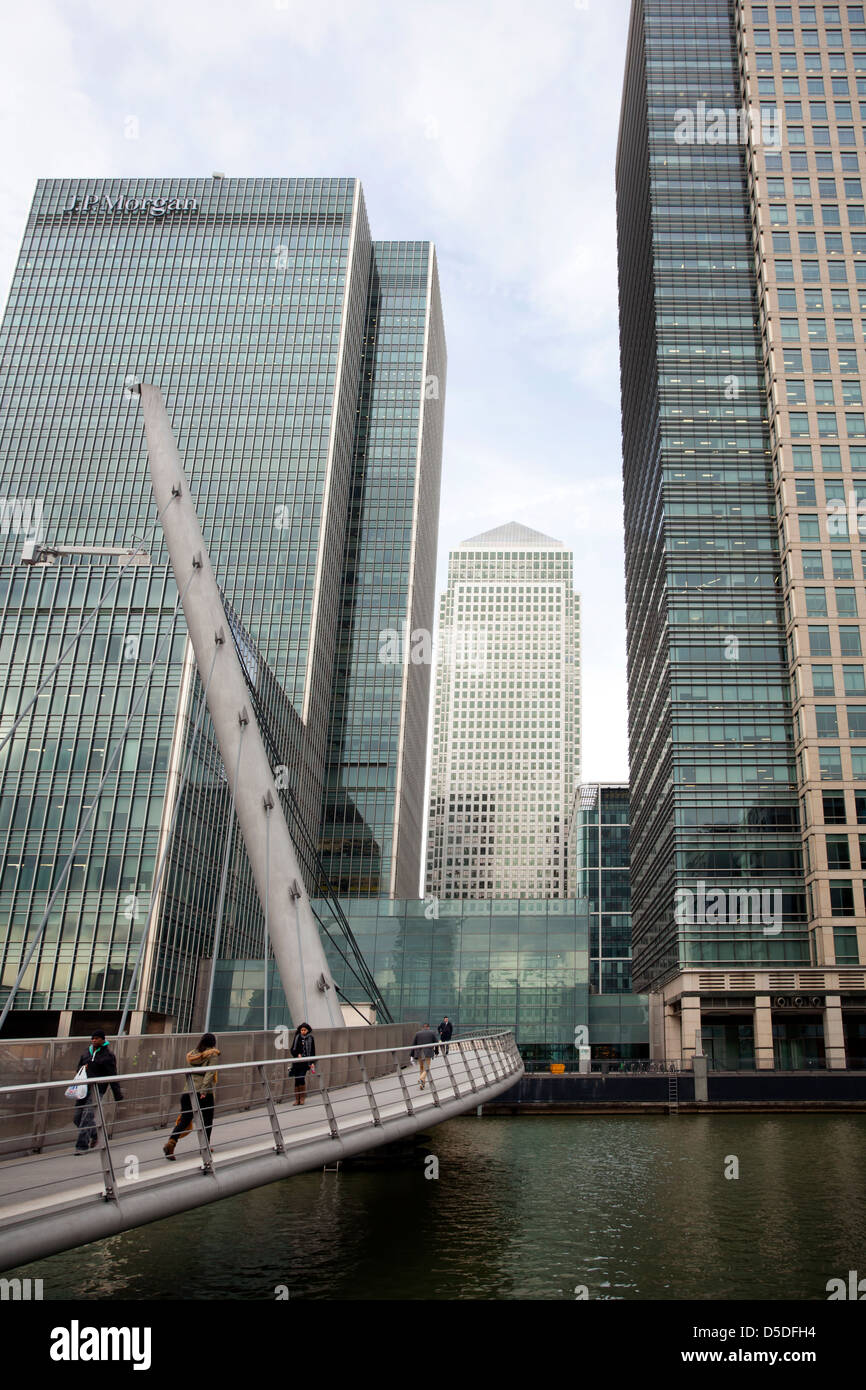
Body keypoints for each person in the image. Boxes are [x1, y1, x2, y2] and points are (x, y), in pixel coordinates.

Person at [163, 1034, 220, 1160]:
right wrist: (204, 1090)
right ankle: (205, 1145)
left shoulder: (193, 1055)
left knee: (185, 1118)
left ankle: (171, 1142)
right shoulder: (213, 1054)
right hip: (204, 1093)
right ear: (213, 1043)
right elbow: (210, 1073)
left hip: (188, 1091)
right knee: (207, 1120)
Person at [73, 1030, 124, 1154]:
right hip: (83, 1088)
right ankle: (95, 1134)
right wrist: (83, 1068)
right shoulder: (86, 1052)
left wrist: (117, 1094)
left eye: (96, 1038)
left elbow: (112, 1075)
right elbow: (78, 1068)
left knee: (87, 1117)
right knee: (77, 1118)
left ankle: (81, 1147)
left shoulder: (108, 1056)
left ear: (103, 1040)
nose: (94, 1040)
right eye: (93, 1038)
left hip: (97, 1090)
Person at [289, 1023, 315, 1105]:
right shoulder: (297, 1037)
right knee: (296, 1080)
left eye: (304, 1030)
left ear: (307, 1030)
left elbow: (313, 1051)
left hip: (305, 1063)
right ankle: (297, 1100)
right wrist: (297, 1054)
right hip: (297, 1062)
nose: (303, 1031)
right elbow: (292, 1050)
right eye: (302, 1030)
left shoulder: (310, 1038)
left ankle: (302, 1098)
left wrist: (312, 1062)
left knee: (301, 1078)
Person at [410, 1022, 438, 1088]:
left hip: (419, 1053)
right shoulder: (432, 1033)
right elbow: (436, 1043)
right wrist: (436, 1052)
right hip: (428, 1053)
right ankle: (421, 1078)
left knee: (421, 1067)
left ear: (422, 1027)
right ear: (428, 1027)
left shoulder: (418, 1033)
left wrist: (412, 1055)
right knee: (427, 1067)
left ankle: (422, 1084)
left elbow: (413, 1044)